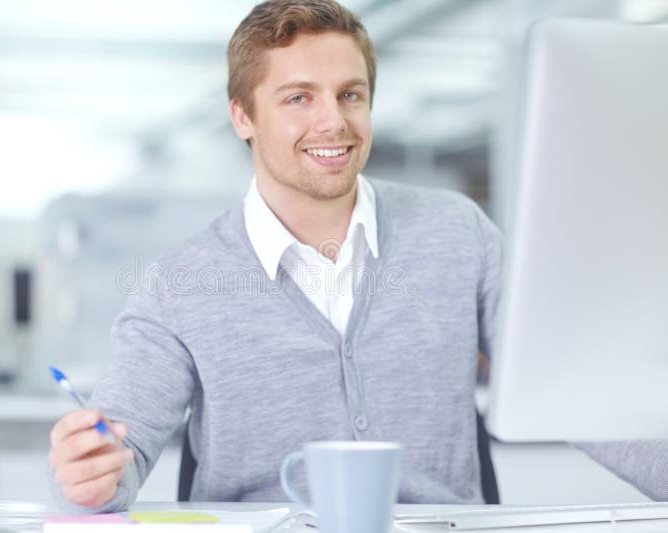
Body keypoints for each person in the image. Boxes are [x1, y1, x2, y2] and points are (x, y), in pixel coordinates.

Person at [48, 0, 668, 512]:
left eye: (350, 94)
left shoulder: (458, 233)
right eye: (298, 98)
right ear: (243, 116)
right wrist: (97, 473)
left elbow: (572, 389)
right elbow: (120, 449)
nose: (333, 122)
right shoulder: (179, 284)